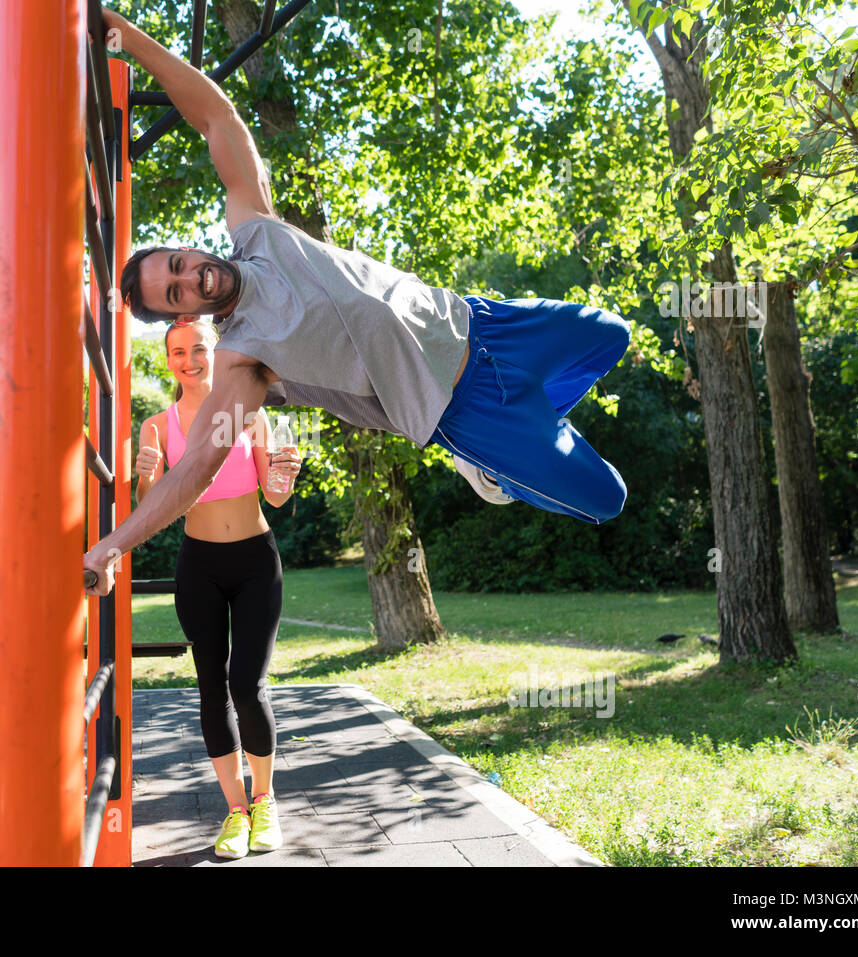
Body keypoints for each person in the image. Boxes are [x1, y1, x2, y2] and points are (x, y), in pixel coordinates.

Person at [84, 9, 631, 598]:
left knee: (611, 334)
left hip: (484, 324)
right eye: (175, 295)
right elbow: (193, 471)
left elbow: (216, 116)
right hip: (461, 409)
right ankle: (491, 468)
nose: (189, 278)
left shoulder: (256, 227)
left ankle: (534, 417)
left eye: (177, 264)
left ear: (187, 248)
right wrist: (111, 548)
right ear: (182, 315)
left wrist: (128, 36)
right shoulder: (243, 360)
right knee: (607, 497)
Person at [136, 317, 301, 859]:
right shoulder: (156, 427)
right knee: (212, 687)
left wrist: (286, 475)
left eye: (200, 348)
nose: (190, 359)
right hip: (198, 565)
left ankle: (265, 800)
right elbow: (154, 510)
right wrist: (145, 476)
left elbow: (274, 497)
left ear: (217, 351)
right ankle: (234, 811)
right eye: (178, 351)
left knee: (247, 683)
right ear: (168, 360)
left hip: (256, 560)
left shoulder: (250, 416)